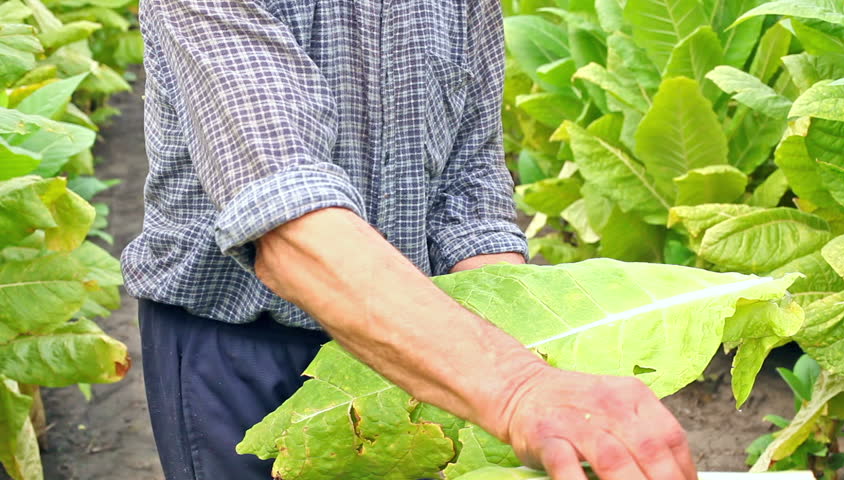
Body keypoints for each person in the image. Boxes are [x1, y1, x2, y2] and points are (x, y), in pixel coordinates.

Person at [122, 1, 698, 479]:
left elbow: (470, 188)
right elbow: (287, 222)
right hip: (239, 349)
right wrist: (520, 390)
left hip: (425, 349)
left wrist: (540, 357)